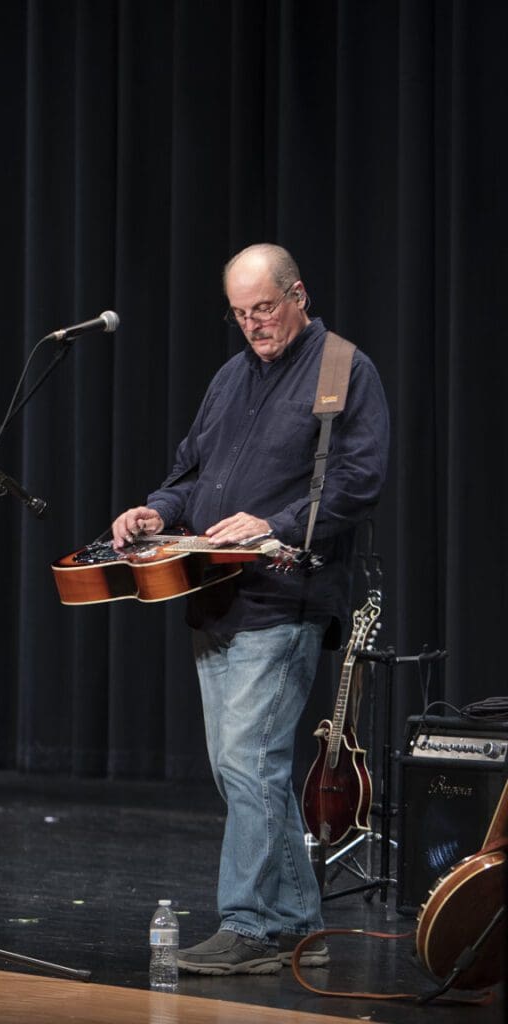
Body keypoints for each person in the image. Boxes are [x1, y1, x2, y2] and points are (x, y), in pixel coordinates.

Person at [111, 244, 389, 975]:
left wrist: (276, 524)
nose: (252, 325)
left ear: (298, 294)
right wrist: (155, 508)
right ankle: (299, 928)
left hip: (285, 596)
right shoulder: (231, 375)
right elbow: (190, 471)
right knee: (242, 770)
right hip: (215, 596)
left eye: (263, 308)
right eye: (239, 313)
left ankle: (248, 927)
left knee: (250, 760)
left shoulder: (343, 369)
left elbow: (360, 479)